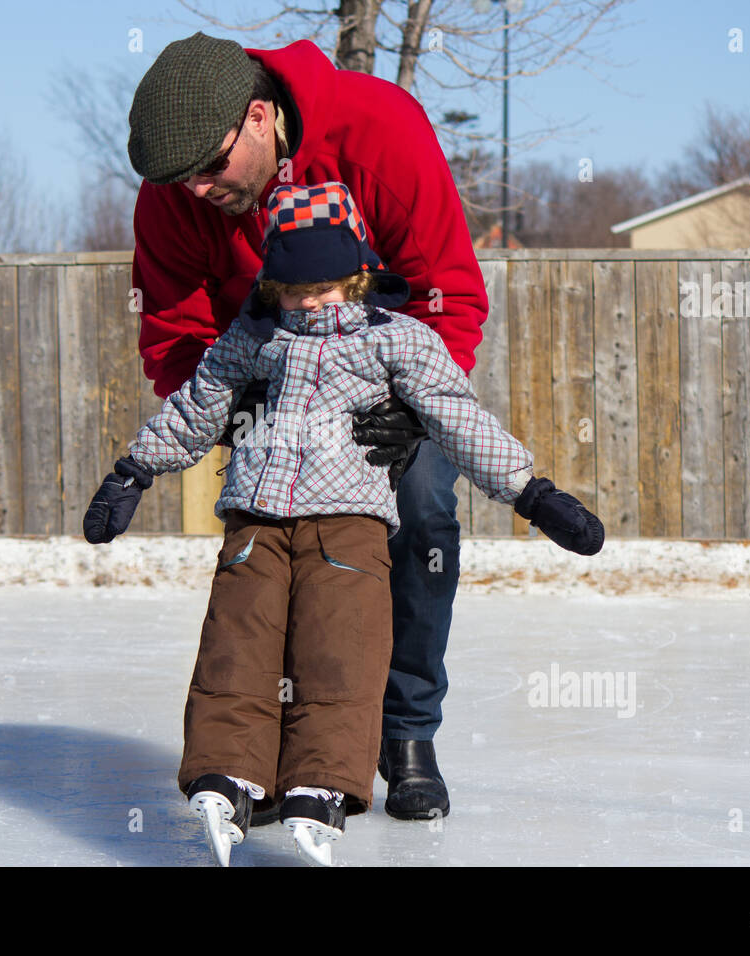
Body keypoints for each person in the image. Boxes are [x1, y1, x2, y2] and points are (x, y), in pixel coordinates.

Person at [84, 182, 603, 866]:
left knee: (338, 654)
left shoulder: (400, 341)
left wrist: (532, 492)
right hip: (256, 521)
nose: (308, 302)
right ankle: (230, 773)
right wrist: (134, 470)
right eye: (293, 288)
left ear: (359, 276)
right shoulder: (252, 338)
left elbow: (460, 420)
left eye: (324, 286)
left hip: (349, 527)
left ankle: (322, 785)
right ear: (273, 282)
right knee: (237, 645)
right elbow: (196, 407)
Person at [127, 31, 494, 820]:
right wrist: (232, 410)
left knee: (423, 508)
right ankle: (268, 753)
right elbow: (172, 324)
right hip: (268, 379)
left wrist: (411, 411)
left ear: (259, 117)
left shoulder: (379, 129)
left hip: (386, 370)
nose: (195, 191)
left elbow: (447, 293)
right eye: (180, 179)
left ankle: (405, 735)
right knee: (268, 555)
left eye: (210, 169)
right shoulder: (174, 192)